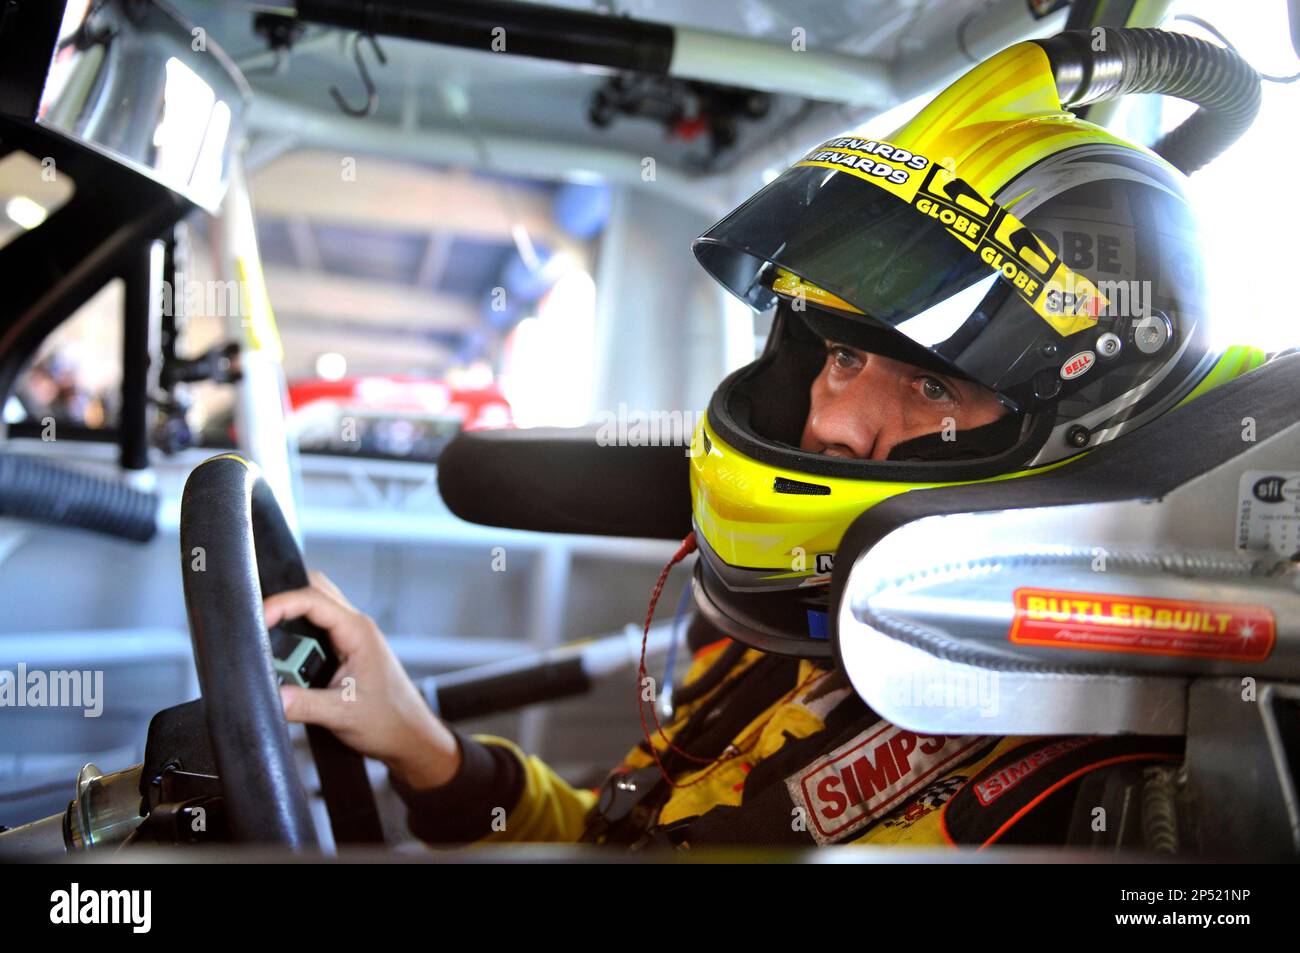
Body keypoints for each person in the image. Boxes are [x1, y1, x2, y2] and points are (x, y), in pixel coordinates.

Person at [270, 37, 1265, 849]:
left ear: (1070, 426)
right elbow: (614, 838)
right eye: (837, 356)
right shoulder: (798, 644)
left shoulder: (1038, 774)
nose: (834, 419)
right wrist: (419, 742)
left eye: (926, 383)